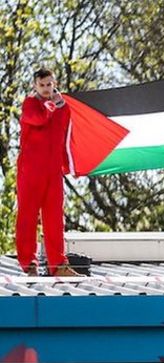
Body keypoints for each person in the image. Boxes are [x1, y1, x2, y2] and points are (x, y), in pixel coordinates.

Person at [16, 68, 80, 277]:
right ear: (35, 86)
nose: (46, 88)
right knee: (28, 215)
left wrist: (70, 164)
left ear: (55, 84)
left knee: (54, 218)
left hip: (53, 171)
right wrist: (52, 105)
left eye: (49, 84)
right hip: (31, 170)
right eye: (42, 85)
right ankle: (29, 263)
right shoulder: (30, 104)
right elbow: (37, 119)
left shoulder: (64, 108)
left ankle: (58, 265)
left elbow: (66, 136)